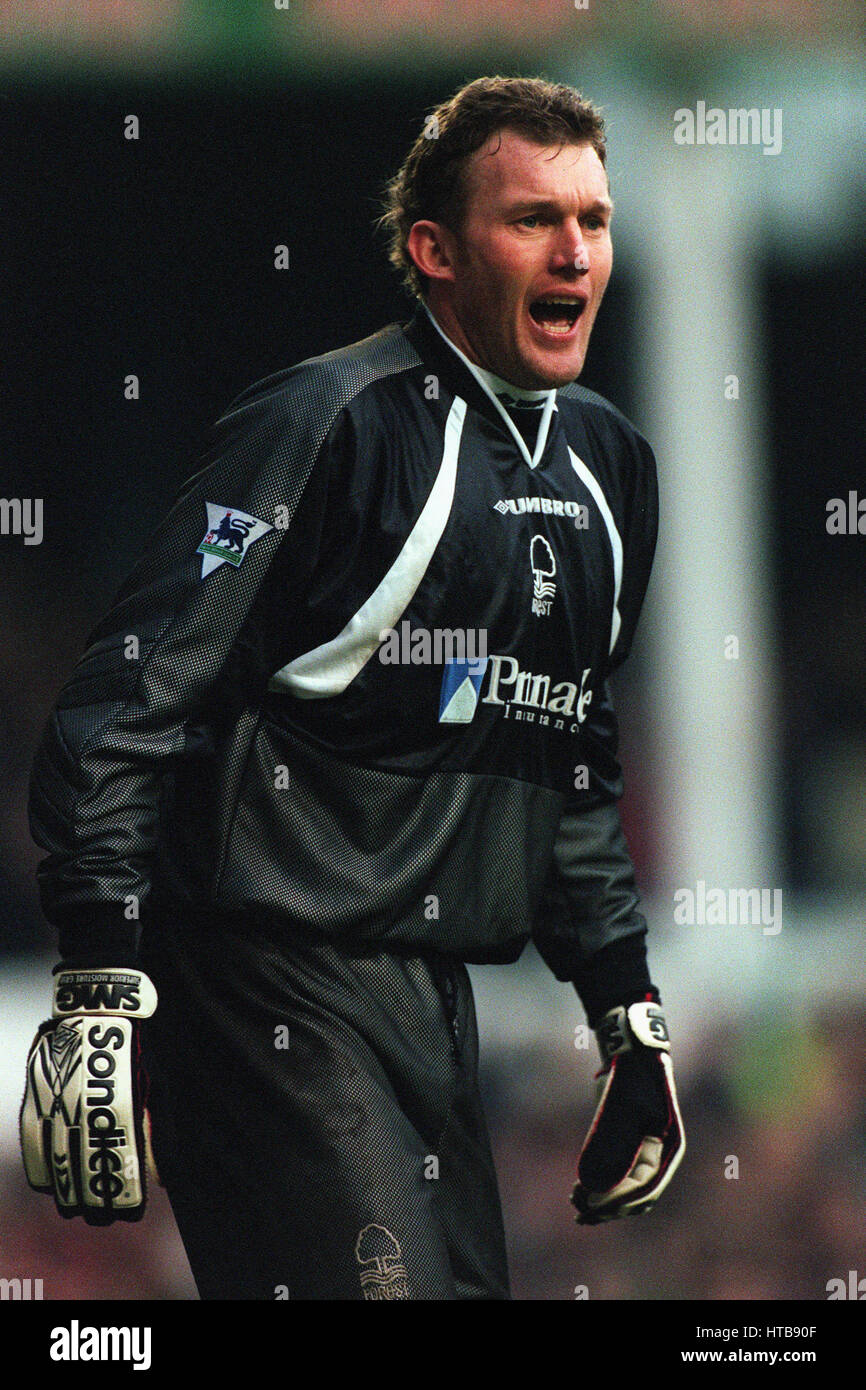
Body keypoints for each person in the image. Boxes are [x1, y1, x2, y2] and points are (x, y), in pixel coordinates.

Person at [21, 75, 684, 1301]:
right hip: (257, 973)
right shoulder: (328, 420)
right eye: (532, 217)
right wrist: (100, 976)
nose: (575, 249)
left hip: (427, 996)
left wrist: (623, 1015)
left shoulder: (611, 467)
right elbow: (130, 688)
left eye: (591, 218)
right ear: (433, 250)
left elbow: (564, 758)